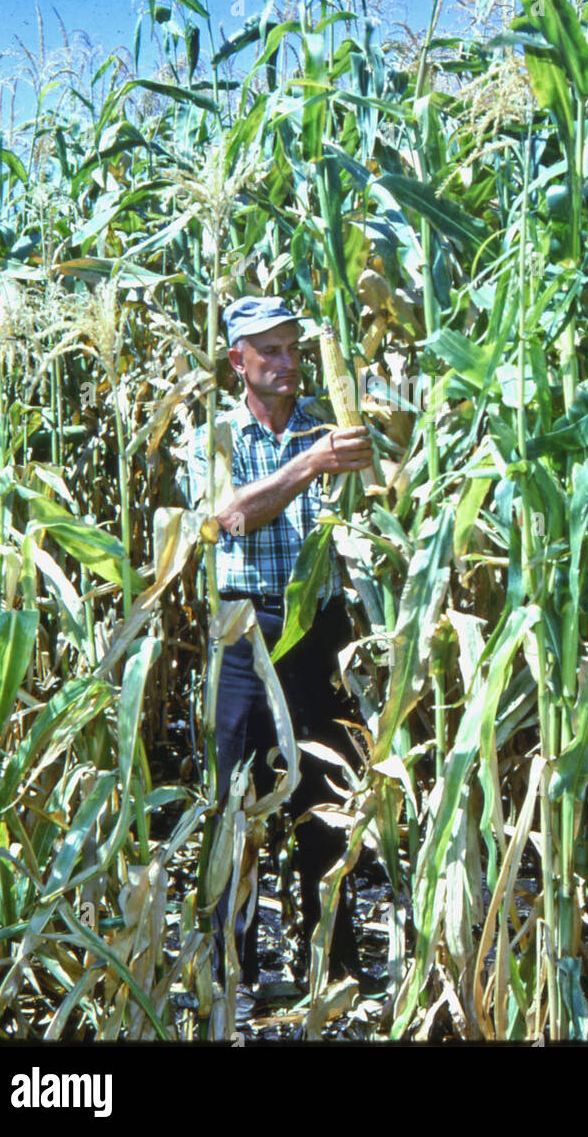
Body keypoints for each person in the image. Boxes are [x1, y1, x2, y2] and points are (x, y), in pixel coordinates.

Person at [181, 295, 373, 993]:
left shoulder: (334, 424)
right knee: (237, 799)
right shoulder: (213, 436)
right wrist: (312, 466)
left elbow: (385, 502)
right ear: (238, 361)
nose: (289, 362)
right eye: (271, 351)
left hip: (319, 633)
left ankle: (332, 963)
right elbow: (227, 516)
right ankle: (231, 972)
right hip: (242, 633)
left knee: (322, 797)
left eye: (295, 347)